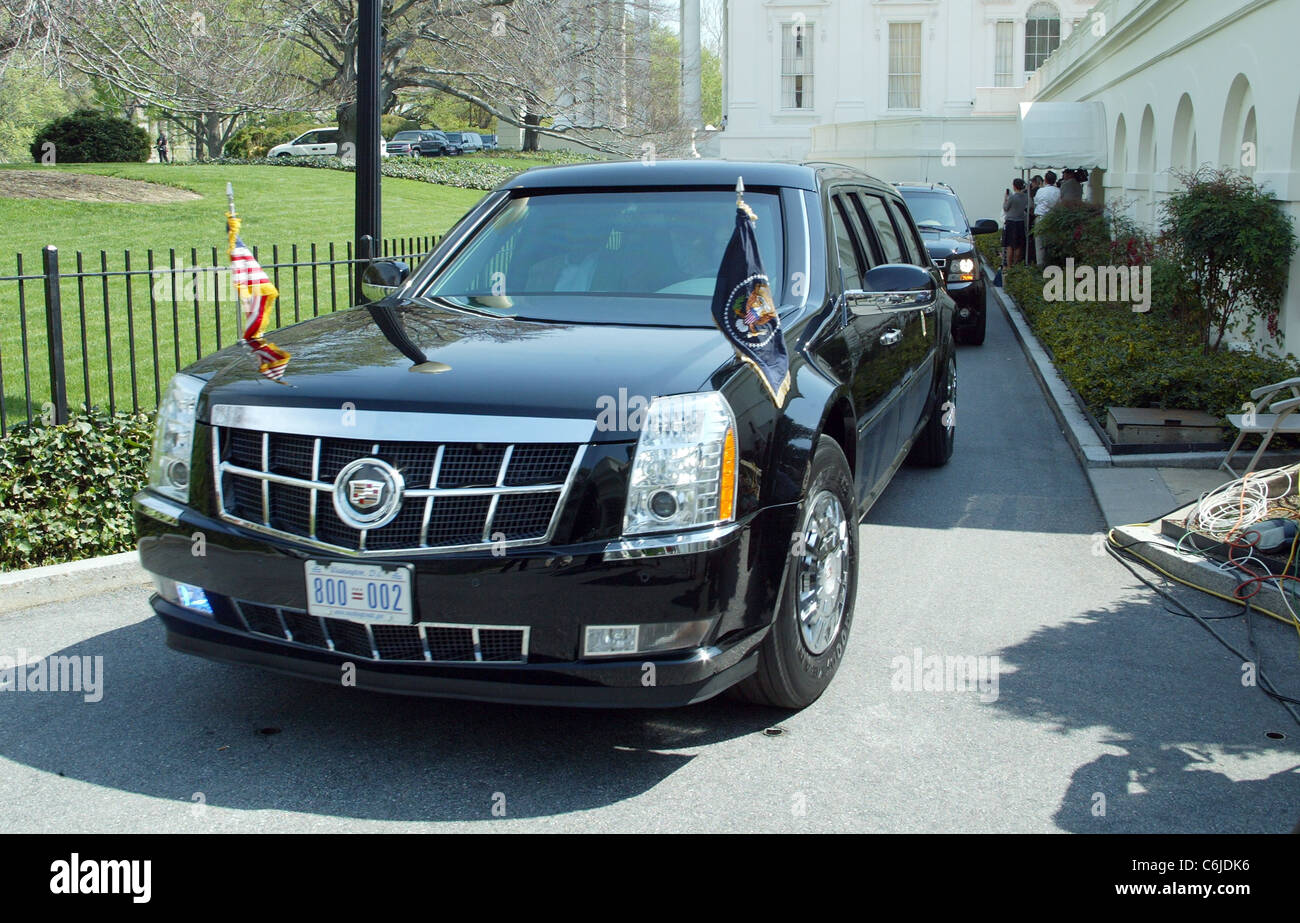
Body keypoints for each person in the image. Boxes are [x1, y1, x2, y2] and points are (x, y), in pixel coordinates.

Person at [1034, 170, 1062, 267]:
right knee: (1050, 242)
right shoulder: (1058, 191)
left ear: (1045, 180)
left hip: (1040, 216)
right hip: (1052, 218)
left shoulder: (1040, 190)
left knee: (1039, 243)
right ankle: (1050, 263)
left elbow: (1036, 201)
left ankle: (1040, 264)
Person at [1002, 179, 1029, 267]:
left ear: (1014, 186)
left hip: (1010, 222)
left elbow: (1005, 208)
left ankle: (1009, 266)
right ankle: (1016, 265)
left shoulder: (1012, 197)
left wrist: (1005, 199)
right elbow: (1030, 206)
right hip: (1020, 221)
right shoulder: (1026, 197)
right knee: (1018, 245)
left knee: (1010, 245)